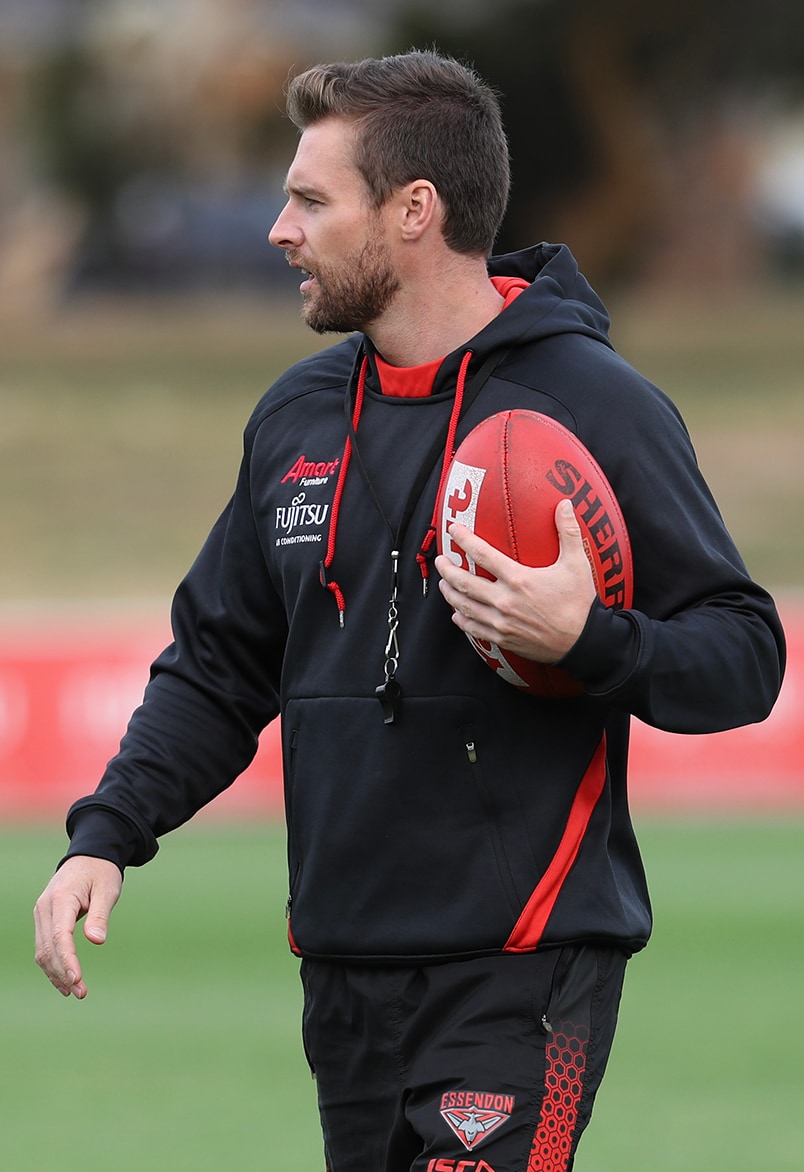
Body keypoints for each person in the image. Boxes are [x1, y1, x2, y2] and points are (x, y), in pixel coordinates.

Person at [34, 50, 785, 1172]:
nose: (279, 229)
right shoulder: (293, 416)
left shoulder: (594, 406)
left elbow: (746, 652)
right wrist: (108, 832)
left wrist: (588, 641)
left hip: (521, 972)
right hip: (342, 974)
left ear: (414, 211)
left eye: (310, 199)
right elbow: (218, 661)